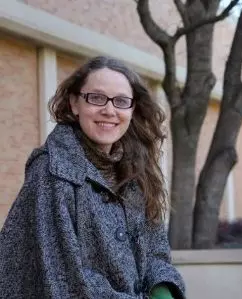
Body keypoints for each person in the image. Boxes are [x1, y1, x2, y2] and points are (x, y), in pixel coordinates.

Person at [0, 56, 185, 299]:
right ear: (75, 103)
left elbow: (155, 251)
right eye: (96, 98)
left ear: (132, 109)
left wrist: (163, 291)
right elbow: (65, 282)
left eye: (121, 101)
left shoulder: (135, 173)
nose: (109, 110)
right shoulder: (52, 172)